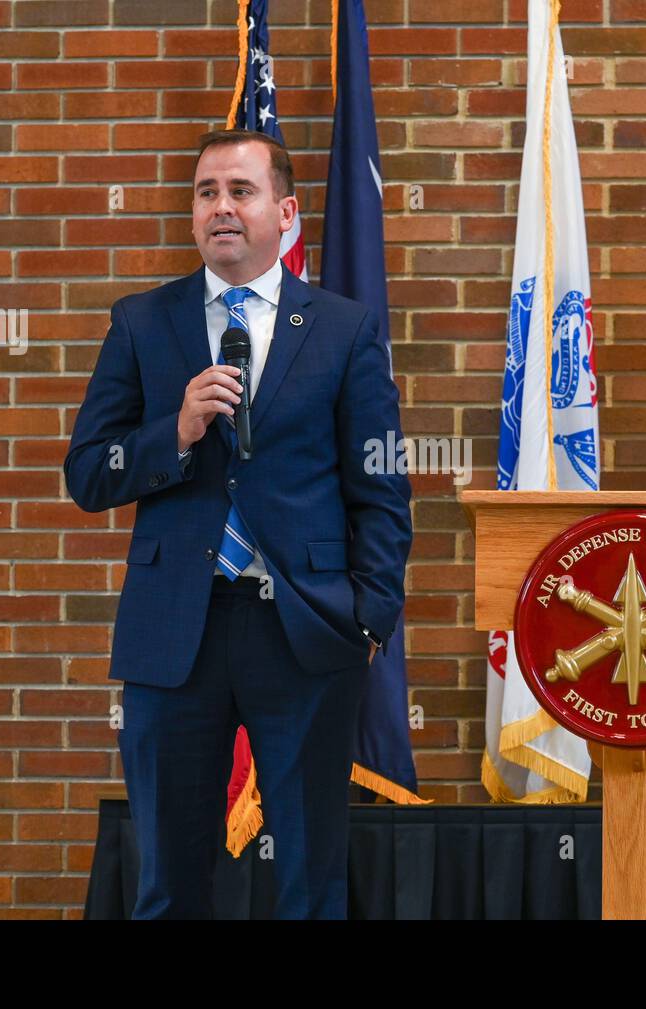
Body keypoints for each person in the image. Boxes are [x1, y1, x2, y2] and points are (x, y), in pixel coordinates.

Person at [63, 129, 412, 919]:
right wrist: (174, 433)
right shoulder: (142, 323)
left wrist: (368, 617)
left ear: (285, 212)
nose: (221, 206)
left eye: (241, 191)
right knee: (170, 883)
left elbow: (383, 486)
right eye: (205, 192)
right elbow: (87, 472)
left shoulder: (343, 329)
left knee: (310, 882)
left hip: (306, 631)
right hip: (173, 634)